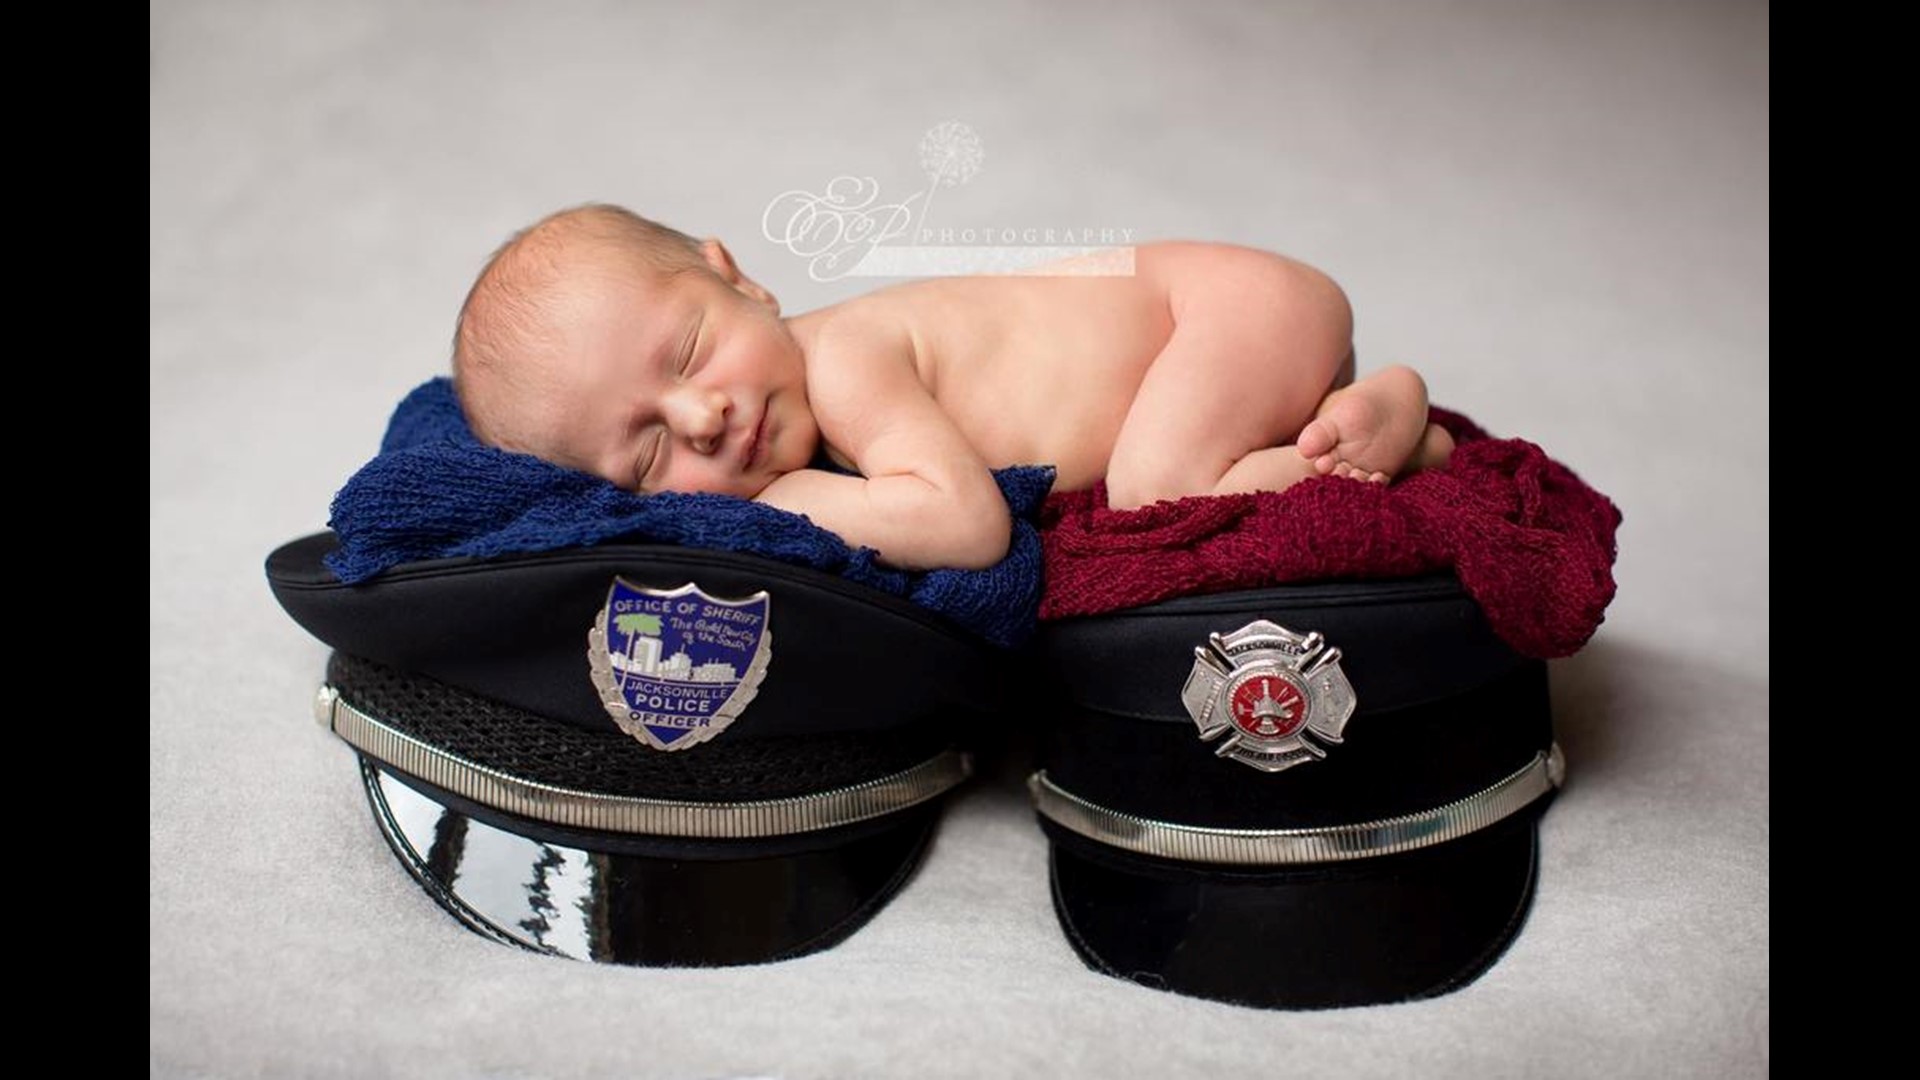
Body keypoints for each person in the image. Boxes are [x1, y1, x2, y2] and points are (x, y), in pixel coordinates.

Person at [452, 204, 1453, 571]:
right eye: (647, 453)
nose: (701, 417)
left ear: (740, 280)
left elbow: (967, 526)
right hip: (1239, 350)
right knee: (1186, 450)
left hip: (1222, 311)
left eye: (690, 352)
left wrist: (790, 499)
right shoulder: (802, 386)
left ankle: (1379, 455)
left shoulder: (845, 359)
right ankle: (1385, 430)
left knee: (1157, 489)